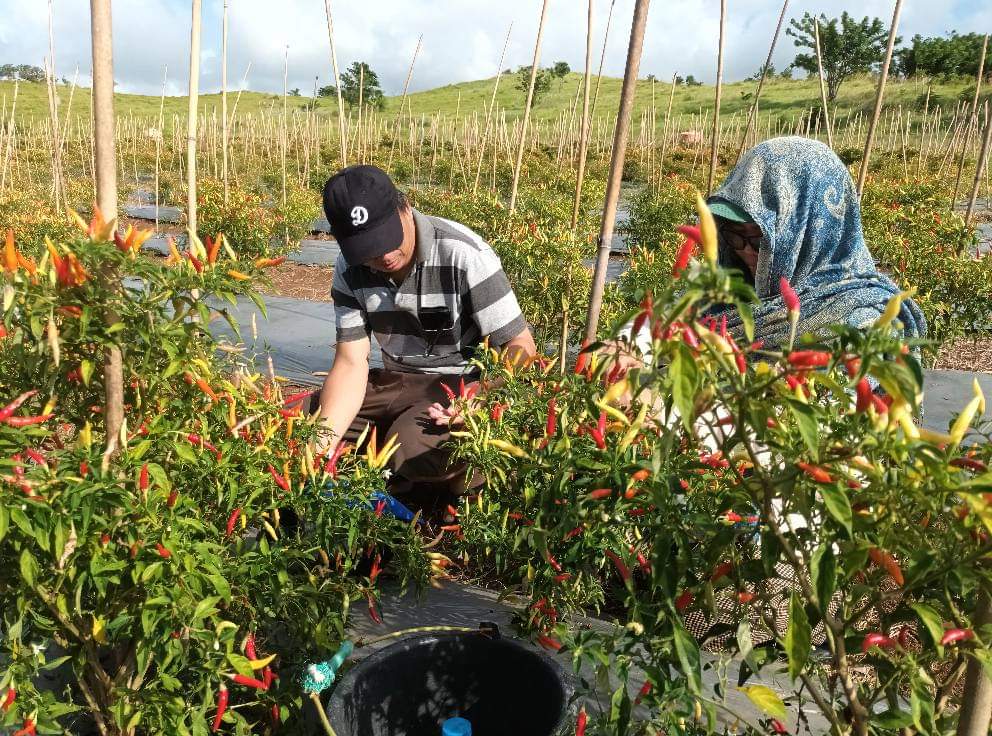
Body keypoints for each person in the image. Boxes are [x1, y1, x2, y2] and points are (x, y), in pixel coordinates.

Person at [313, 165, 536, 494]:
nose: (383, 255)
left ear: (404, 207)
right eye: (367, 247)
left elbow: (520, 345)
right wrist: (317, 447)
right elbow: (350, 363)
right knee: (299, 427)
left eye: (385, 238)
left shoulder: (463, 254)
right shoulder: (350, 268)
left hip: (456, 387)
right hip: (396, 381)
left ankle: (473, 478)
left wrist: (477, 399)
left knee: (409, 448)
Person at [706, 136, 926, 347]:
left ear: (813, 233)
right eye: (734, 234)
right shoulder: (715, 301)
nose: (745, 251)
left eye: (758, 238)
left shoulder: (860, 323)